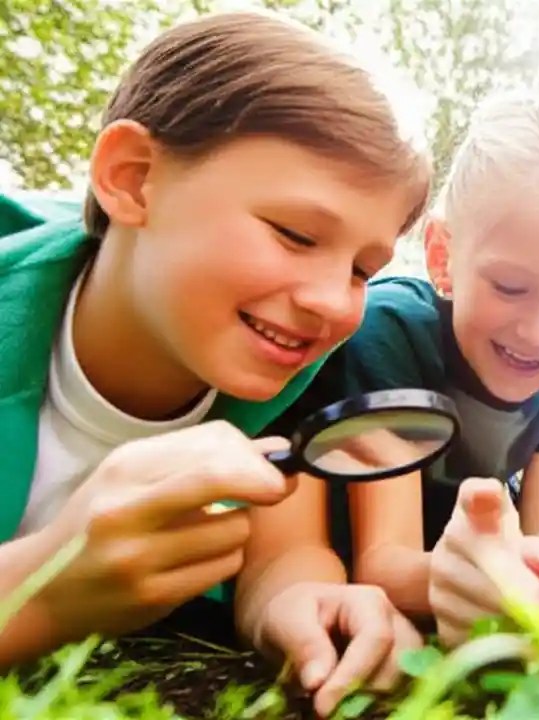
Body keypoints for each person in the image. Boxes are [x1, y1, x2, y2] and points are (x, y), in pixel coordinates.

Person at [0, 12, 433, 716]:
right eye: (295, 234)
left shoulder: (291, 369)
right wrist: (41, 589)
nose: (332, 301)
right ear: (134, 179)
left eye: (362, 269)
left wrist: (300, 601)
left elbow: (282, 549)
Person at [246, 94, 539, 647]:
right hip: (313, 558)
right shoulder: (389, 331)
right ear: (442, 256)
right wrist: (478, 580)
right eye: (510, 287)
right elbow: (385, 560)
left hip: (464, 543)